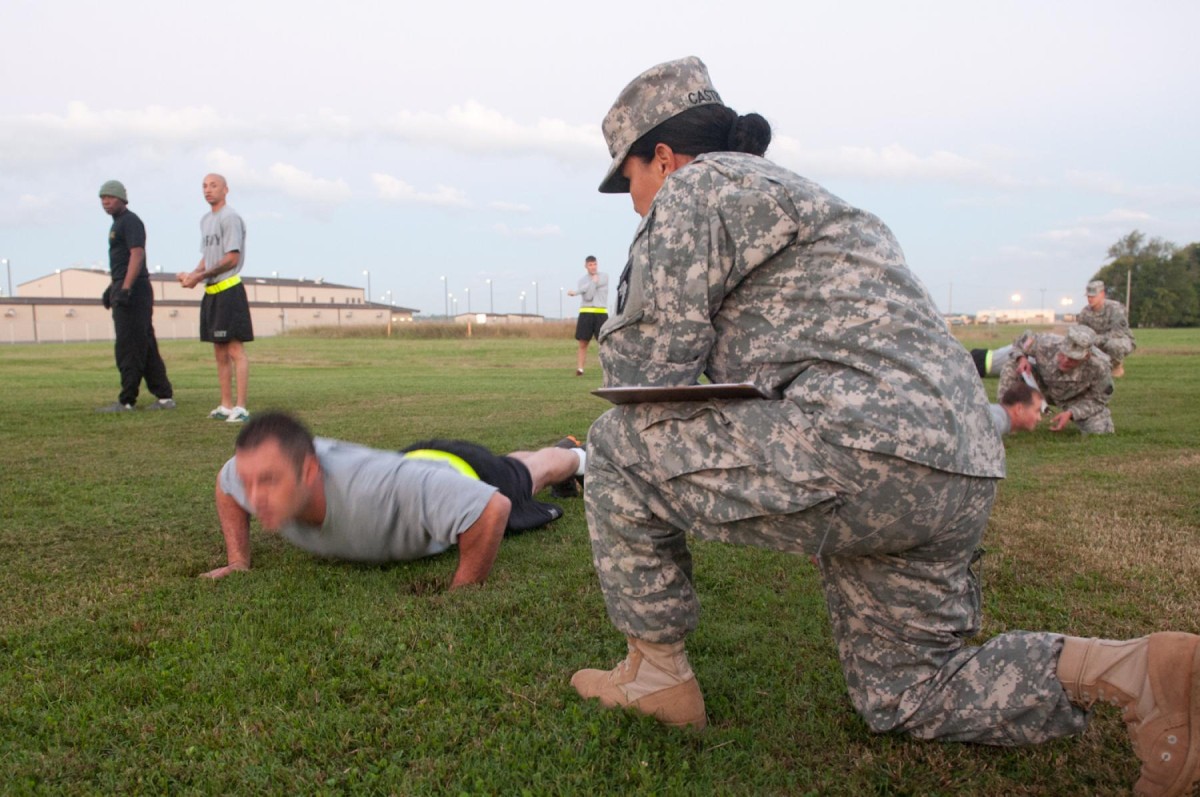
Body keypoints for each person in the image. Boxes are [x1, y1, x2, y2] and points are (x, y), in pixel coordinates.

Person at [570, 56, 1199, 796]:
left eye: (634, 181)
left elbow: (644, 374)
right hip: (963, 457)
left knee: (614, 448)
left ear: (665, 158)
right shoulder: (820, 204)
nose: (637, 203)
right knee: (907, 689)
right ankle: (1138, 673)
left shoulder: (695, 190)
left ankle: (656, 675)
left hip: (857, 446)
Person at [200, 412, 587, 589]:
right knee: (514, 465)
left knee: (531, 475)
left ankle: (579, 456)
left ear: (308, 472)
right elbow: (226, 481)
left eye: (269, 482)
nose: (255, 495)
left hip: (465, 471)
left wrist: (463, 594)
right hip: (416, 465)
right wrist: (238, 561)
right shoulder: (249, 474)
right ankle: (538, 456)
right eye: (251, 482)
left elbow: (491, 508)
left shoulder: (375, 489)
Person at [177, 174, 253, 423]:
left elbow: (231, 258)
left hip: (229, 289)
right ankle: (225, 405)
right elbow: (207, 258)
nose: (208, 190)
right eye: (204, 186)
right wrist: (193, 275)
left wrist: (200, 276)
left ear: (226, 190)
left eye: (213, 185)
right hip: (212, 292)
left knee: (234, 350)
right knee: (219, 352)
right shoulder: (205, 221)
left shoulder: (230, 217)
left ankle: (241, 407)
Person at [95, 180, 175, 413]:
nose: (105, 202)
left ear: (122, 199)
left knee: (128, 346)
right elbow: (122, 263)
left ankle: (126, 400)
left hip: (135, 291)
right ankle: (164, 397)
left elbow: (137, 254)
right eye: (102, 198)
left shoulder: (130, 221)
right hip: (126, 286)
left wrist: (126, 288)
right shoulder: (117, 224)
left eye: (110, 197)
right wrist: (113, 289)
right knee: (146, 345)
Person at [997, 325, 1115, 434]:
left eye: (1072, 359)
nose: (1065, 361)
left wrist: (1072, 413)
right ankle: (1005, 417)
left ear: (1086, 356)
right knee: (1011, 367)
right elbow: (1019, 343)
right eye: (1062, 355)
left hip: (1075, 399)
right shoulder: (1047, 343)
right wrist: (1021, 358)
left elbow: (1099, 399)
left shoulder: (1100, 366)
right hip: (1042, 388)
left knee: (1102, 430)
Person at [1079, 279, 1136, 377]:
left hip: (1119, 340)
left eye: (1093, 296)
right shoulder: (1085, 312)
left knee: (1114, 345)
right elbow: (1082, 331)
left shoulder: (1116, 308)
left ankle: (1116, 366)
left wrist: (1097, 339)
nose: (1090, 299)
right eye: (1088, 296)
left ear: (1102, 294)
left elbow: (1118, 333)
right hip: (1095, 343)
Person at [566, 255, 608, 376]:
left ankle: (607, 368)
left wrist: (576, 292)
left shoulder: (604, 276)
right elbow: (589, 296)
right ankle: (580, 369)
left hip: (601, 313)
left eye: (595, 264)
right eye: (590, 265)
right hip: (586, 313)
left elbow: (589, 290)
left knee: (604, 343)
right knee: (583, 343)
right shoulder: (582, 280)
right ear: (586, 266)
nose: (593, 267)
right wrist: (592, 283)